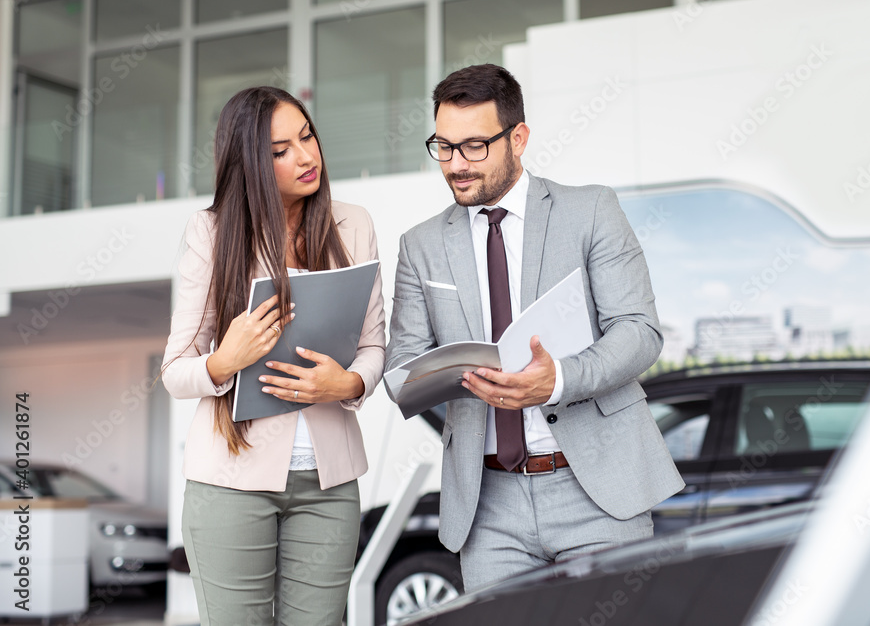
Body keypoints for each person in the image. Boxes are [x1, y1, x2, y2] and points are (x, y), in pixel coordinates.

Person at [384, 63, 684, 590]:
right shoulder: (421, 245)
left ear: (517, 138)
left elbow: (638, 331)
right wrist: (444, 376)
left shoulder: (590, 210)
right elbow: (400, 366)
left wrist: (559, 379)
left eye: (474, 146)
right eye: (444, 147)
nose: (456, 164)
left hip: (597, 490)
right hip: (488, 505)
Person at [161, 86, 385, 625]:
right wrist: (225, 359)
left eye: (306, 137)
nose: (305, 157)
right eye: (280, 151)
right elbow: (175, 371)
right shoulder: (213, 232)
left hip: (328, 486)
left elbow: (374, 345)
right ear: (251, 165)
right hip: (230, 483)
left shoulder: (353, 223)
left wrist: (347, 385)